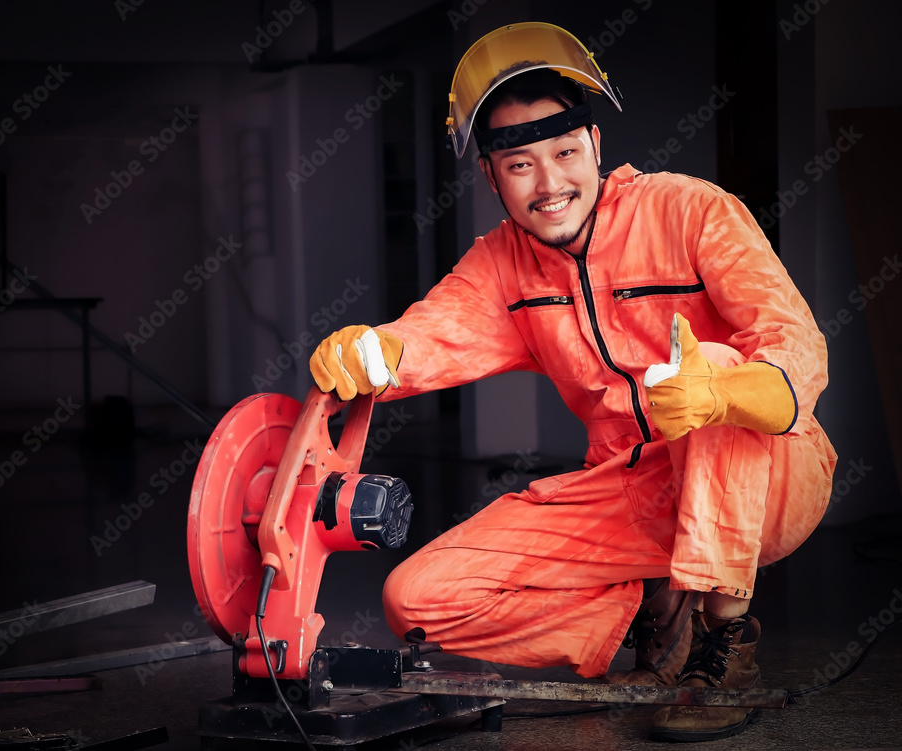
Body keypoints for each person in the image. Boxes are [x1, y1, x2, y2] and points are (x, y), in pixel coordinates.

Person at [309, 22, 836, 742]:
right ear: (491, 177)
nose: (550, 184)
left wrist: (726, 392)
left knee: (708, 372)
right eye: (520, 164)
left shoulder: (692, 210)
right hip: (633, 487)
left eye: (563, 152)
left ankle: (724, 643)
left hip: (773, 474)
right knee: (419, 597)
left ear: (594, 144)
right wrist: (370, 351)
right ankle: (651, 613)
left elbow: (795, 342)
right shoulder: (501, 262)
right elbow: (437, 331)